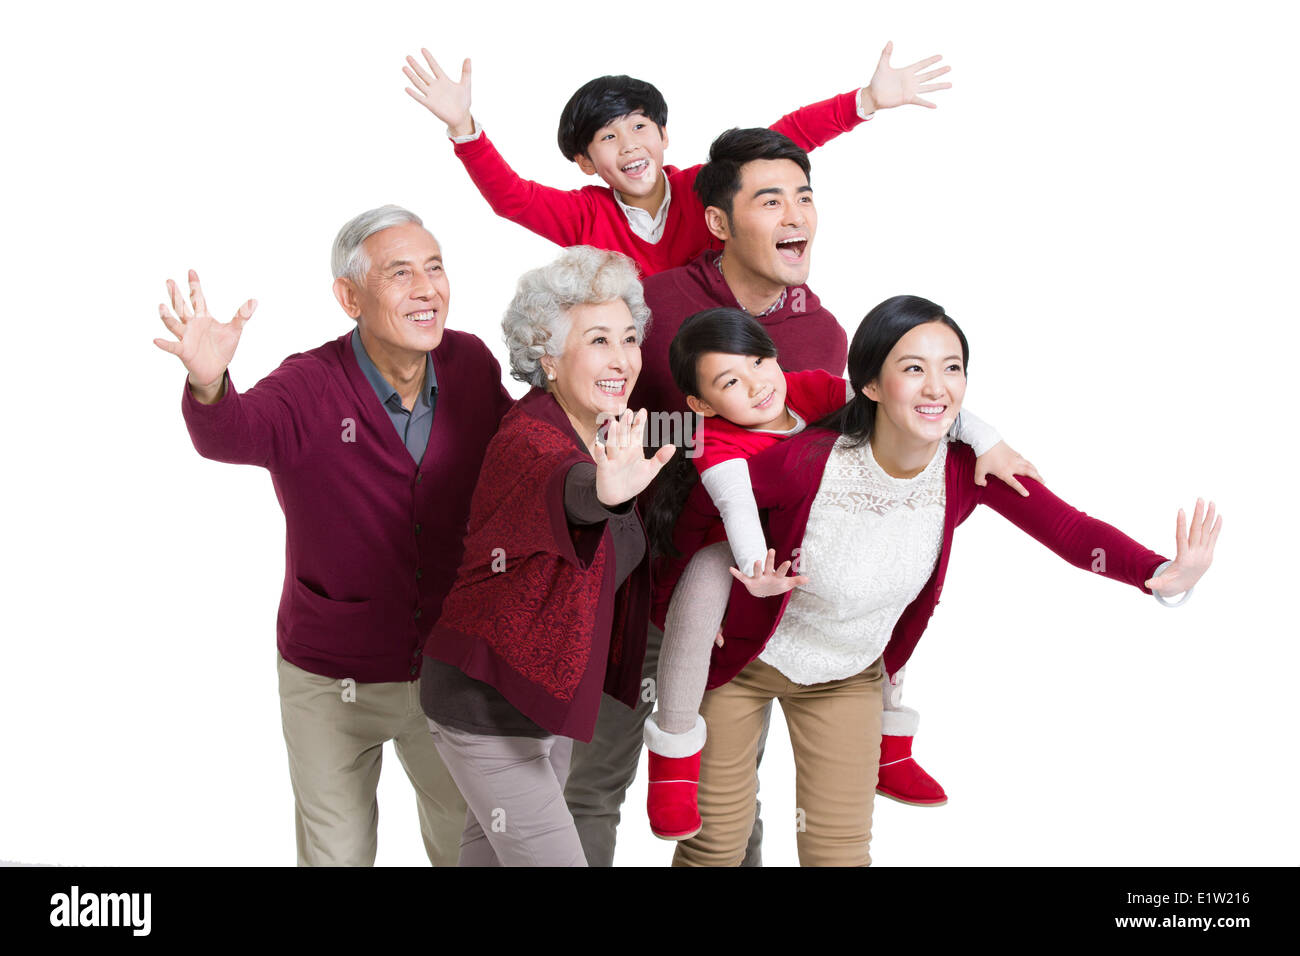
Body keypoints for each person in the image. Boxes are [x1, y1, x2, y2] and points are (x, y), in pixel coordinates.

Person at [562, 127, 1035, 864]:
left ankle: (886, 743)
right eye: (771, 199)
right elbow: (580, 408)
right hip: (639, 585)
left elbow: (867, 431)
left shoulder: (822, 333)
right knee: (594, 783)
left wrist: (982, 436)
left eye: (805, 199)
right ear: (718, 222)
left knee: (725, 810)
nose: (795, 217)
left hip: (761, 594)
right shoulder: (653, 302)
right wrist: (700, 432)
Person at [661, 295, 1219, 866]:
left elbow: (1069, 530)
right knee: (715, 849)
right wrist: (689, 611)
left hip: (847, 674)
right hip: (746, 665)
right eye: (913, 368)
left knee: (839, 854)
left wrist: (1158, 574)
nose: (937, 388)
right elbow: (699, 524)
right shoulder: (804, 460)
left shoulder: (964, 469)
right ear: (871, 386)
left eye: (952, 367)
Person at [154, 205, 514, 866]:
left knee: (469, 846)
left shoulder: (468, 362)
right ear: (350, 297)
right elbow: (234, 432)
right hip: (330, 677)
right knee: (334, 854)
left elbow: (522, 447)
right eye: (401, 273)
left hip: (450, 672)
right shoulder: (310, 384)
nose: (427, 288)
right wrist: (208, 384)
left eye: (435, 269)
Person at [420, 246, 675, 866]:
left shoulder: (607, 431)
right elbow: (568, 490)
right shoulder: (529, 438)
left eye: (629, 338)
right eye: (598, 340)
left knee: (491, 857)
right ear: (547, 358)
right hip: (486, 703)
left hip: (546, 700)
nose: (622, 359)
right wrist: (607, 494)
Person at [402, 42, 951, 276]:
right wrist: (462, 128)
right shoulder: (586, 215)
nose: (630, 145)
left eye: (640, 127)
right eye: (608, 138)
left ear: (664, 135)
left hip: (728, 357)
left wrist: (866, 102)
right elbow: (512, 199)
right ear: (588, 163)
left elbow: (782, 136)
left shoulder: (703, 186)